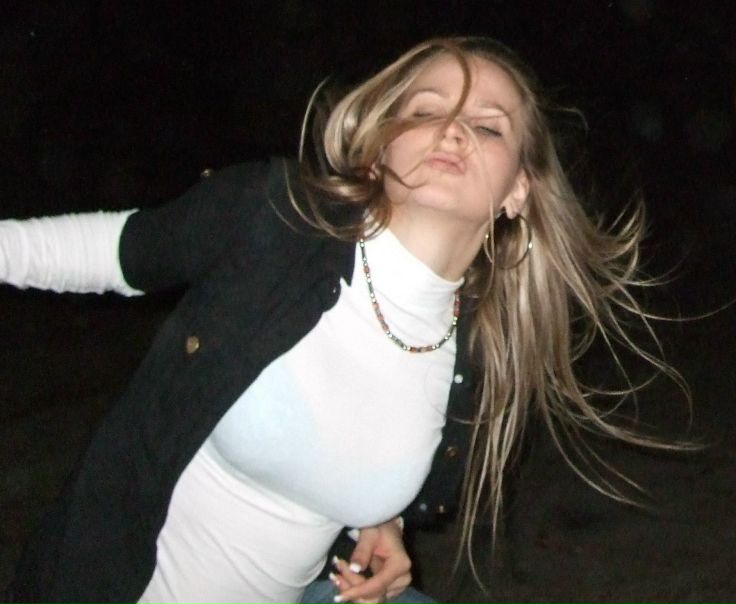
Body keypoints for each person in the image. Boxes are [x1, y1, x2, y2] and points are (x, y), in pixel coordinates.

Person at [1, 37, 684, 604]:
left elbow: (359, 444)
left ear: (517, 190)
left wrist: (382, 520)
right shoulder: (277, 221)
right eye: (427, 111)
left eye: (488, 126)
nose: (453, 130)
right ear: (379, 149)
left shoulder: (476, 352)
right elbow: (116, 252)